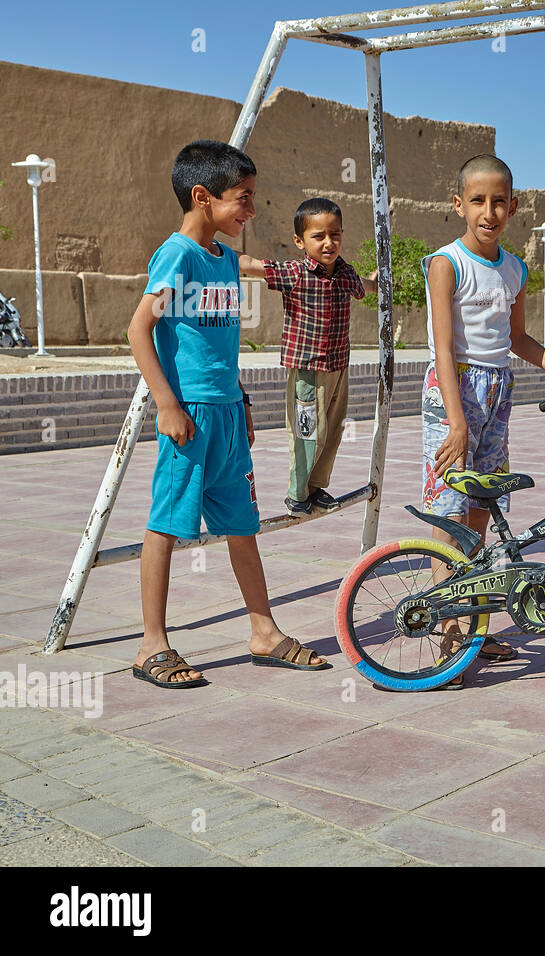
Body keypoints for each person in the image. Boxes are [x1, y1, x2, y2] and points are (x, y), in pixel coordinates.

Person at [126, 140, 328, 688]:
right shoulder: (178, 255)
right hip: (187, 416)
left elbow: (219, 346)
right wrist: (167, 403)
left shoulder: (222, 262)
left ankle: (263, 632)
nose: (250, 210)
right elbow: (138, 329)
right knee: (167, 526)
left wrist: (241, 401)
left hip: (226, 416)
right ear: (202, 196)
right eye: (243, 198)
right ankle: (151, 646)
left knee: (242, 526)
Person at [422, 154, 545, 681]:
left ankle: (474, 625)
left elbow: (516, 338)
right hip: (455, 389)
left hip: (497, 390)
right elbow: (444, 348)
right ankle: (447, 632)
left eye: (498, 202)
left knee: (482, 508)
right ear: (458, 205)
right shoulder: (446, 263)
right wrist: (457, 422)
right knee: (450, 510)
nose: (488, 212)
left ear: (512, 207)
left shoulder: (516, 268)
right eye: (477, 201)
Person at [239, 198, 377, 514]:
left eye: (336, 235)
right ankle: (297, 493)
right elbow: (250, 265)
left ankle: (316, 487)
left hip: (339, 367)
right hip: (309, 370)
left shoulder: (344, 273)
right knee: (307, 432)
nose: (329, 243)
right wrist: (210, 249)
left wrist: (376, 281)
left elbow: (364, 287)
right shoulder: (295, 273)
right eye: (319, 236)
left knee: (333, 430)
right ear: (300, 241)